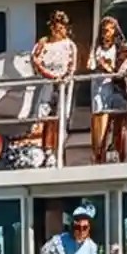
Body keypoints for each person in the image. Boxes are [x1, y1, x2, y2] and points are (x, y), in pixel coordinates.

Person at [31, 10, 76, 162]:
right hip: (46, 85)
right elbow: (35, 63)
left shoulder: (69, 45)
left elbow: (72, 66)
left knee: (59, 118)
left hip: (63, 84)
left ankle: (57, 152)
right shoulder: (43, 44)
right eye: (56, 27)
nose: (59, 30)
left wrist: (62, 78)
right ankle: (45, 151)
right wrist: (47, 74)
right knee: (46, 119)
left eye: (62, 27)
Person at [89, 16, 127, 164]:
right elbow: (91, 65)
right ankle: (99, 154)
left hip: (117, 88)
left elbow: (122, 68)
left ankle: (120, 153)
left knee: (119, 122)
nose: (106, 32)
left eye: (109, 29)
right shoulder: (97, 48)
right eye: (104, 30)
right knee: (100, 119)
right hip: (100, 87)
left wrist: (109, 68)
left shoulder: (122, 48)